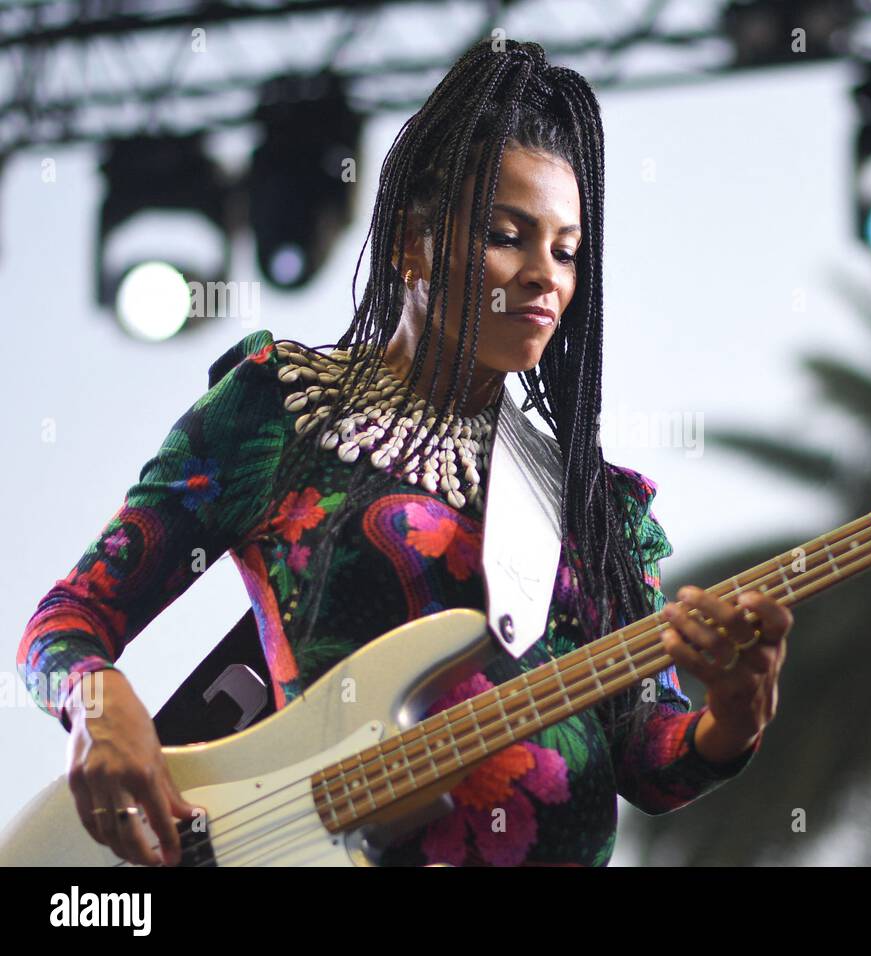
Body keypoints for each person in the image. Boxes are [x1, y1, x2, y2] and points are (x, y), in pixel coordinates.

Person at [17, 38, 792, 867]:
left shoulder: (594, 507)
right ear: (411, 245)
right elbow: (65, 624)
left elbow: (651, 759)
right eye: (507, 236)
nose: (544, 276)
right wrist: (100, 704)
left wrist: (735, 712)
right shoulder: (285, 406)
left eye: (565, 251)